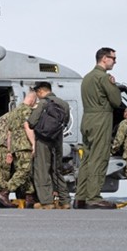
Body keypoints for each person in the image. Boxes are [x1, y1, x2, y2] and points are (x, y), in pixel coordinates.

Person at [76, 47, 123, 209]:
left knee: (86, 160)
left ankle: (80, 196)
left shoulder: (87, 78)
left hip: (87, 119)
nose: (115, 62)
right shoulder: (103, 78)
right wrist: (114, 85)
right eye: (113, 58)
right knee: (99, 158)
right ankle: (93, 196)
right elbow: (116, 101)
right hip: (101, 119)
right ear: (104, 58)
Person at [27, 81, 71, 209]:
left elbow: (31, 122)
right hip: (57, 139)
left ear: (40, 91)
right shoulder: (64, 104)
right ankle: (65, 201)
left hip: (43, 140)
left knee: (42, 170)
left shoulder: (43, 103)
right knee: (57, 170)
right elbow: (66, 121)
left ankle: (47, 201)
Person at [0, 93, 38, 207]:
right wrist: (34, 143)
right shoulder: (27, 111)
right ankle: (5, 192)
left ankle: (29, 197)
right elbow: (27, 127)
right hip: (24, 146)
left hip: (15, 147)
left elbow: (9, 133)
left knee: (24, 172)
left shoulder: (13, 112)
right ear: (33, 100)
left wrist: (9, 150)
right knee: (24, 170)